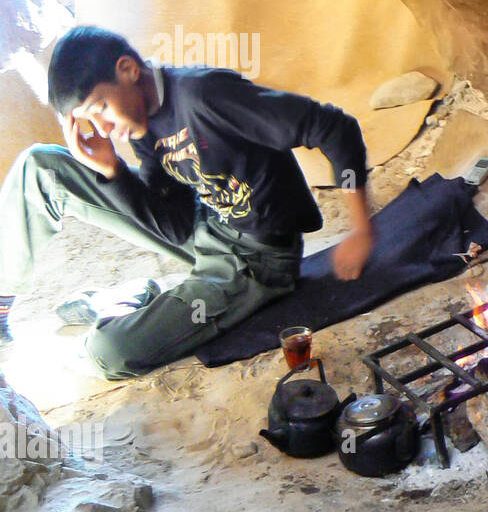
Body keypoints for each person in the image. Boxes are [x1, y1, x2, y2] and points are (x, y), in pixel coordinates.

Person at [0, 26, 374, 379]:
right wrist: (112, 170)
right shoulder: (141, 121)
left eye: (99, 108)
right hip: (202, 228)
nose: (104, 129)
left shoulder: (206, 95)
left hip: (255, 260)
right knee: (41, 166)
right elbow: (174, 225)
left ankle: (118, 312)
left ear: (128, 69)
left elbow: (333, 127)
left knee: (107, 352)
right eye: (89, 120)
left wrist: (360, 227)